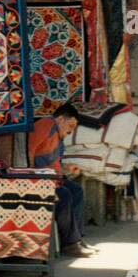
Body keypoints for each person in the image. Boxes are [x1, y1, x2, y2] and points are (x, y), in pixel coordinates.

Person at [28, 102, 94, 257]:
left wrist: (66, 168)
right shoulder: (47, 124)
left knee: (76, 190)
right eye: (70, 126)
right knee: (64, 195)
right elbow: (30, 149)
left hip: (53, 178)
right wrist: (31, 176)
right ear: (60, 119)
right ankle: (70, 244)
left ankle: (77, 239)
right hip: (41, 179)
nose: (70, 131)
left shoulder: (58, 136)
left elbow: (52, 161)